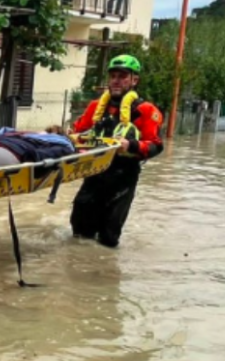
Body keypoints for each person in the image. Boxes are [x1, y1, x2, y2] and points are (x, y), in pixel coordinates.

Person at [69, 54, 163, 248]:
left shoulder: (146, 110)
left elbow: (156, 145)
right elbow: (77, 132)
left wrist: (132, 146)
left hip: (124, 175)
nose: (116, 81)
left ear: (134, 80)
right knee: (79, 229)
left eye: (122, 76)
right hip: (94, 172)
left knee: (109, 236)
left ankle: (105, 273)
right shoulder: (96, 107)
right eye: (113, 76)